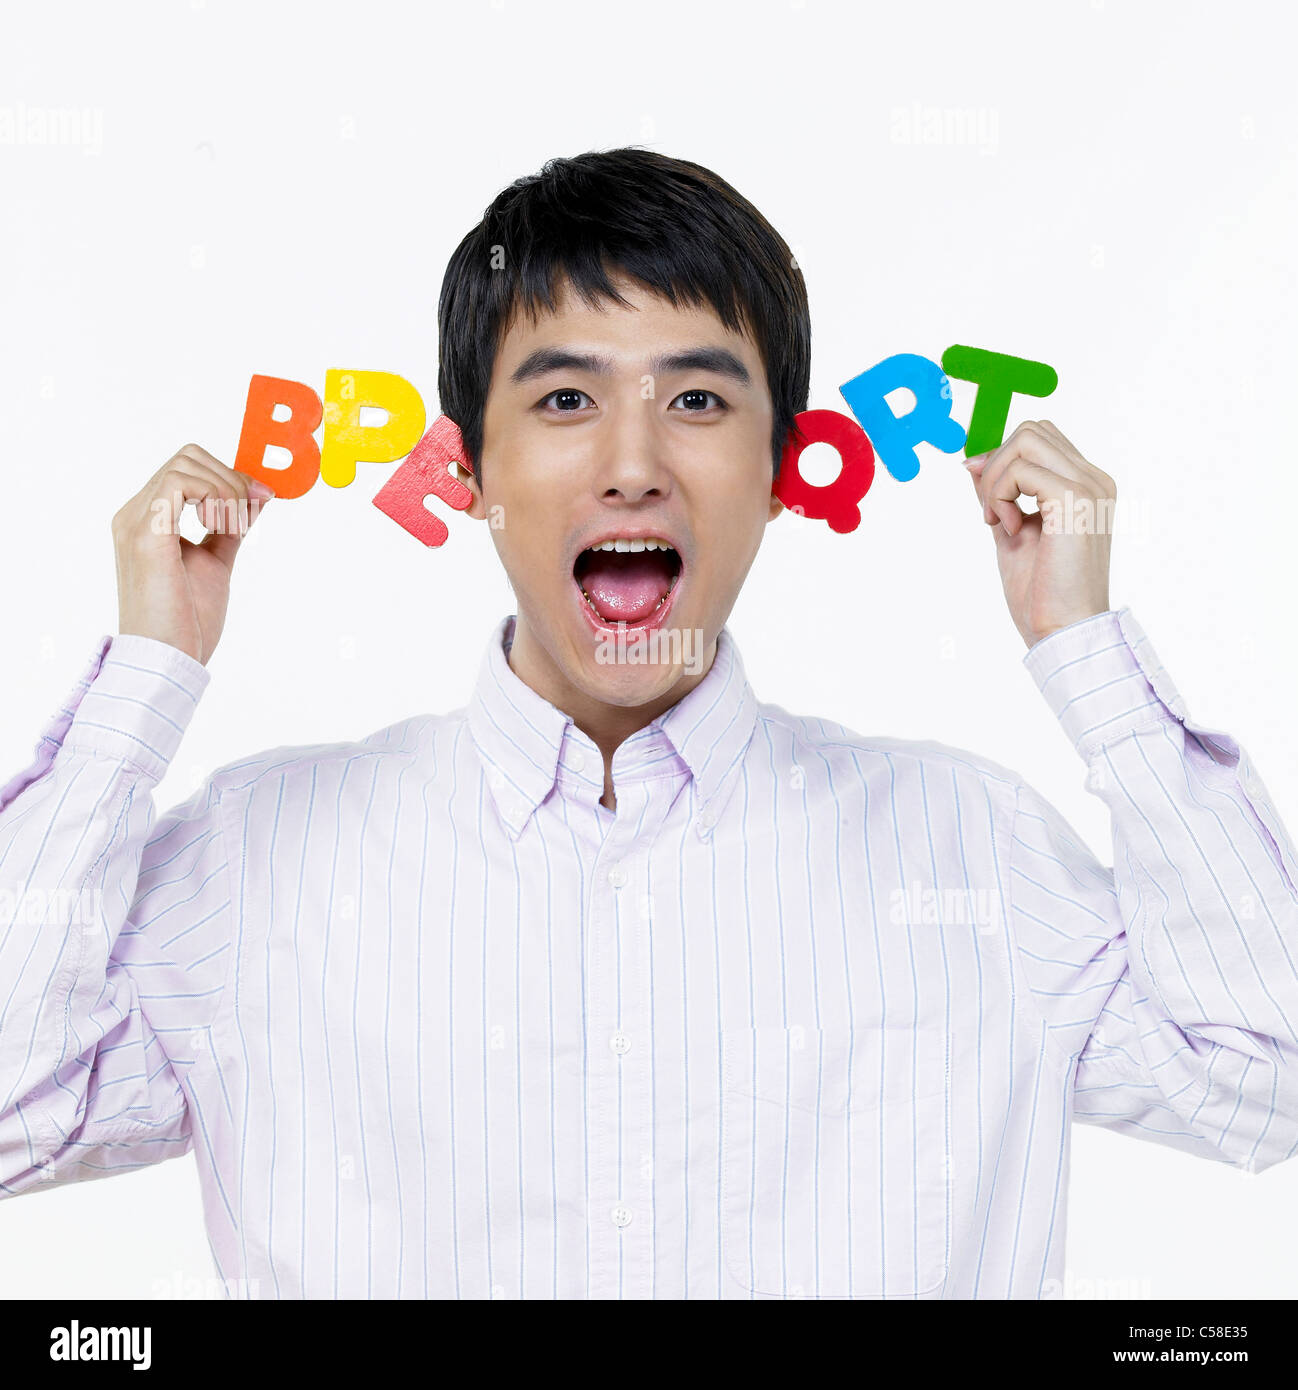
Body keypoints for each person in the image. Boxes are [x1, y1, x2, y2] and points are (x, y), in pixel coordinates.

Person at [1, 147, 1295, 1301]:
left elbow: (1262, 1072)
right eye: (564, 400)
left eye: (696, 400)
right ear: (468, 472)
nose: (632, 463)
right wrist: (146, 674)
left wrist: (1083, 649)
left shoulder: (969, 847)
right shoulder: (256, 854)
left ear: (785, 468)